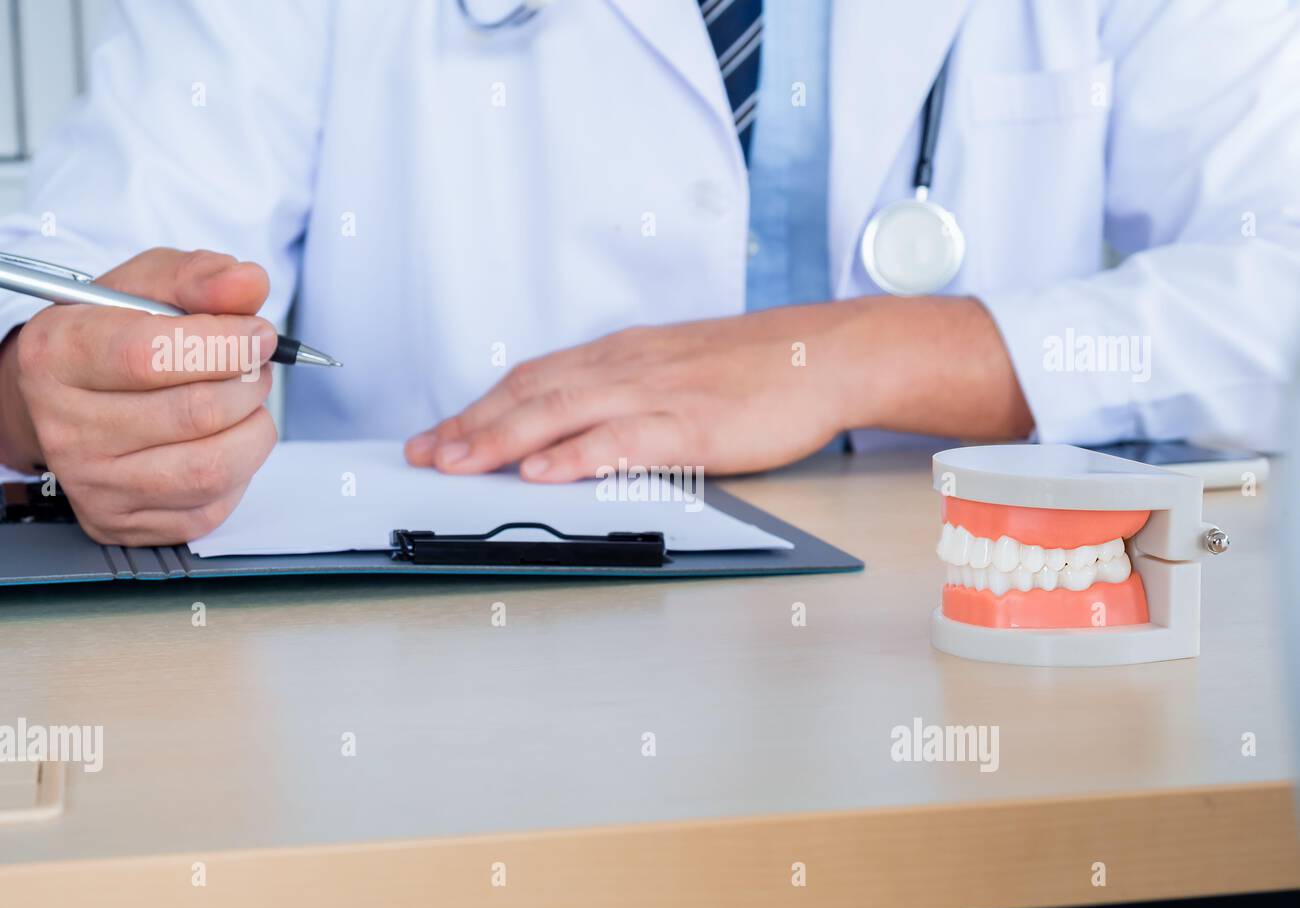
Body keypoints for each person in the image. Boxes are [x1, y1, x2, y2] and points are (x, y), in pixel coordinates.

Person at [0, 0, 1297, 546]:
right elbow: (75, 291)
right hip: (441, 713)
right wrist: (57, 391)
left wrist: (873, 353)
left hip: (990, 664)